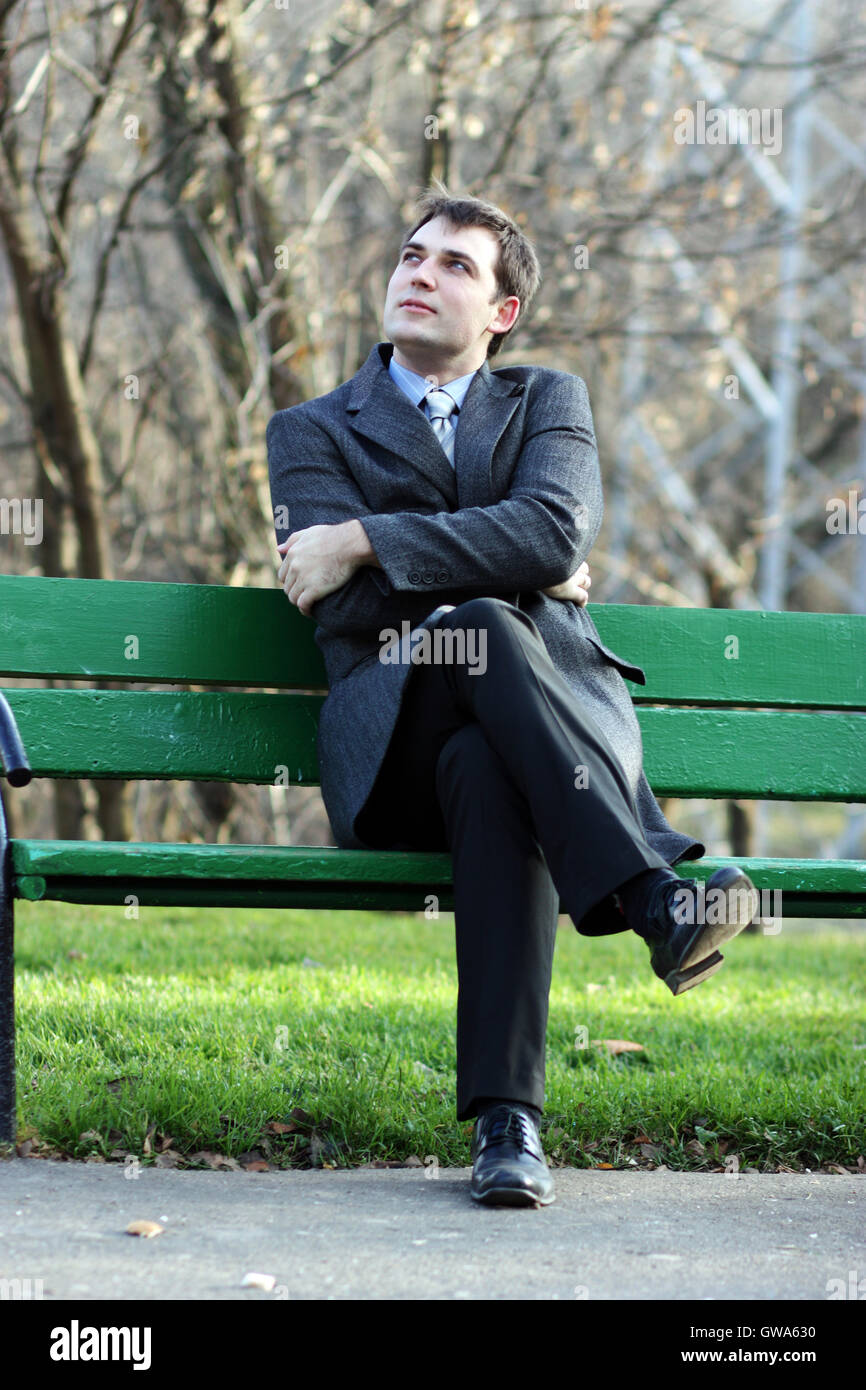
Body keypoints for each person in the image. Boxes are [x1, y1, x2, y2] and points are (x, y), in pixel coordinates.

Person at [266, 186, 757, 1208]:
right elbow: (340, 599)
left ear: (501, 313)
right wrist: (508, 571)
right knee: (486, 626)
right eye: (410, 255)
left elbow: (551, 530)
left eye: (453, 265)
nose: (418, 273)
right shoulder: (311, 430)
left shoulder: (547, 401)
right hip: (385, 742)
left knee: (488, 762)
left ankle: (508, 1125)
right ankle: (652, 890)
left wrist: (368, 536)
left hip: (524, 747)